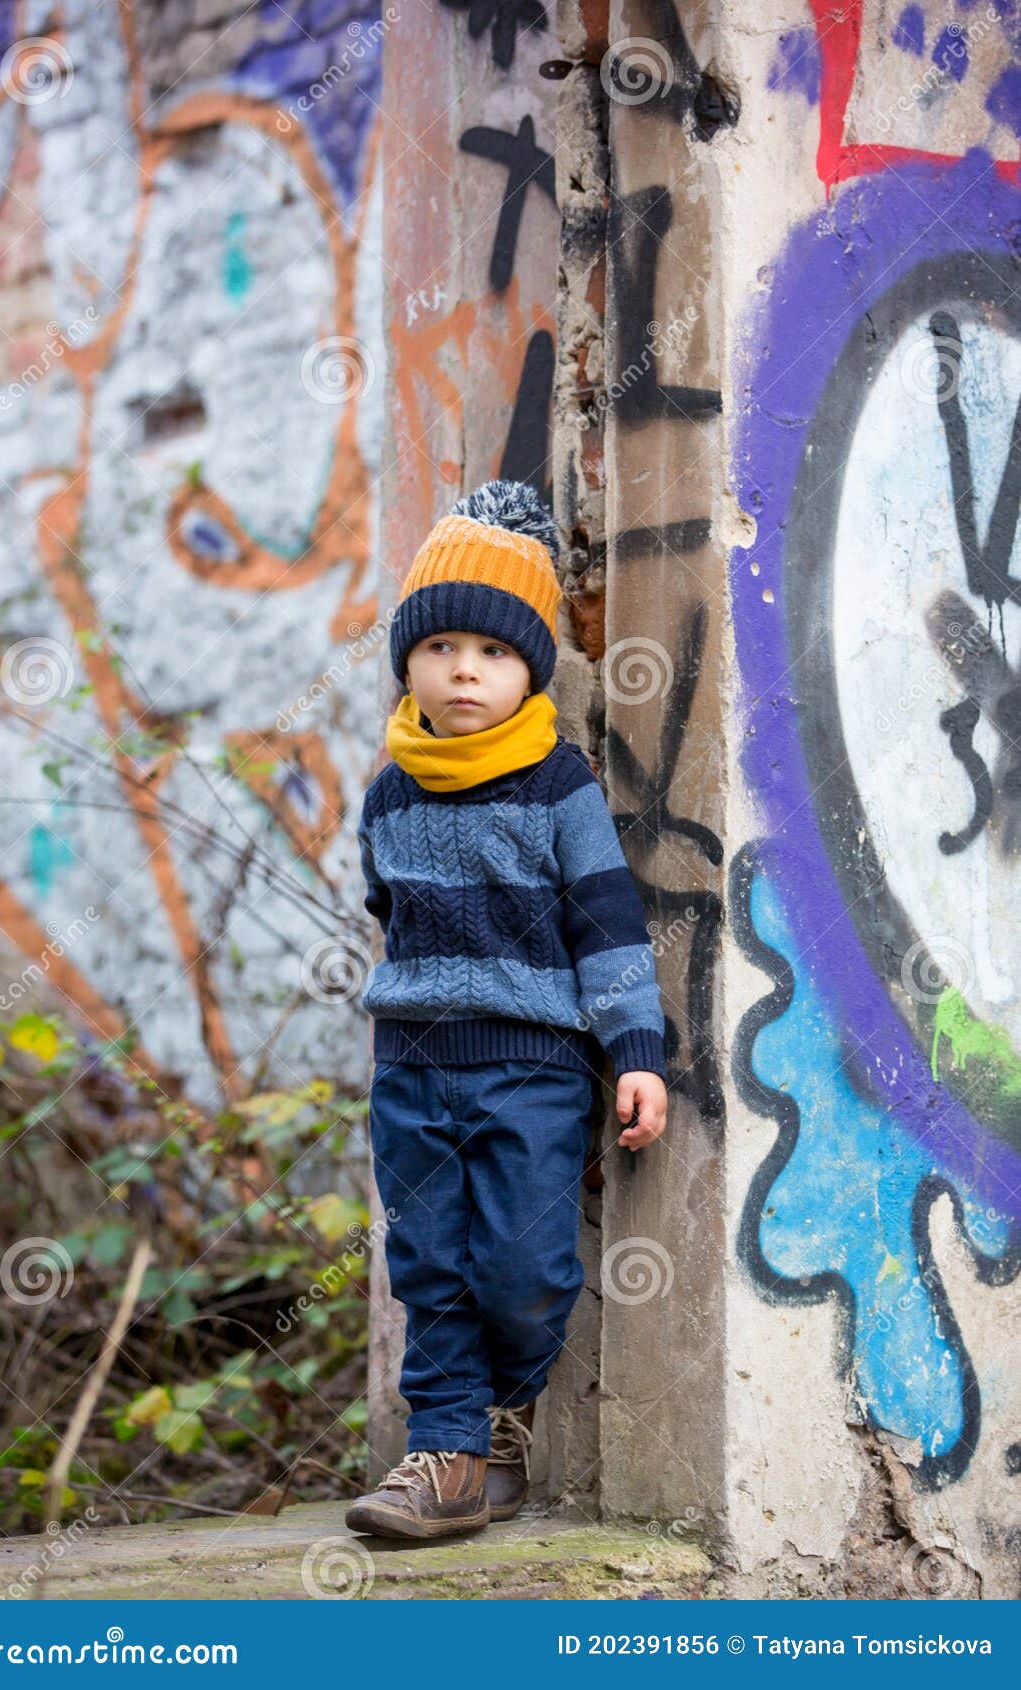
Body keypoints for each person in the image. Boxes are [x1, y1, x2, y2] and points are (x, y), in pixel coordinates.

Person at [344, 478, 669, 1541]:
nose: (463, 671)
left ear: (530, 667)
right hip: (412, 1066)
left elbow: (607, 924)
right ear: (410, 664)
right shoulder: (390, 790)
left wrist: (632, 1049)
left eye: (489, 653)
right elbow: (388, 907)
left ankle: (494, 1425)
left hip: (531, 1067)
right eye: (439, 651)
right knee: (428, 1262)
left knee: (521, 1269)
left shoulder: (555, 783)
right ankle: (438, 1459)